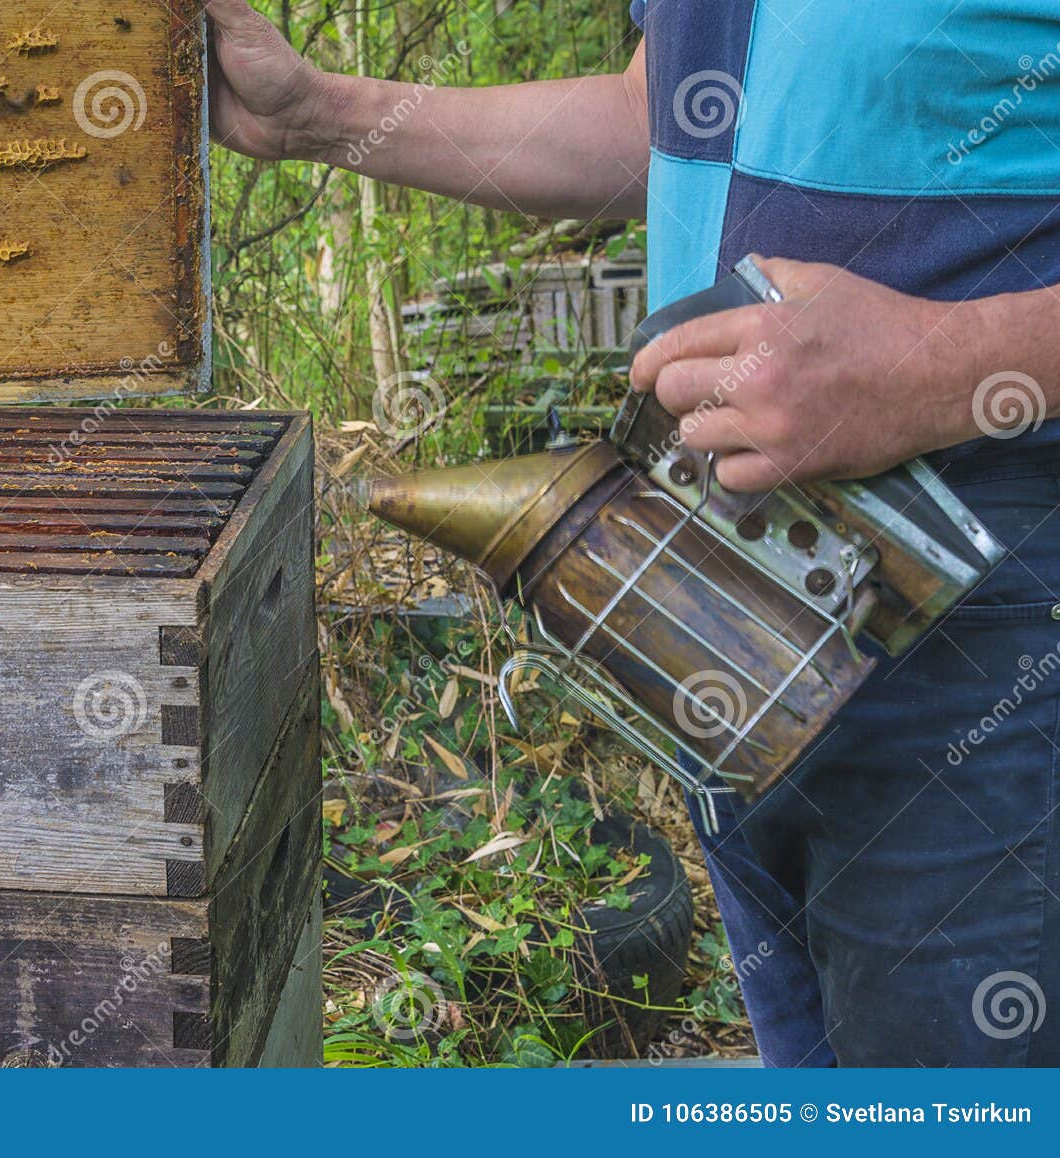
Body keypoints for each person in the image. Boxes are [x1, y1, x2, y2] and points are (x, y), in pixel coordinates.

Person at [207, 0, 1060, 1067]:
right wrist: (318, 116)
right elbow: (649, 121)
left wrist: (949, 365)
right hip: (731, 621)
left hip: (989, 629)